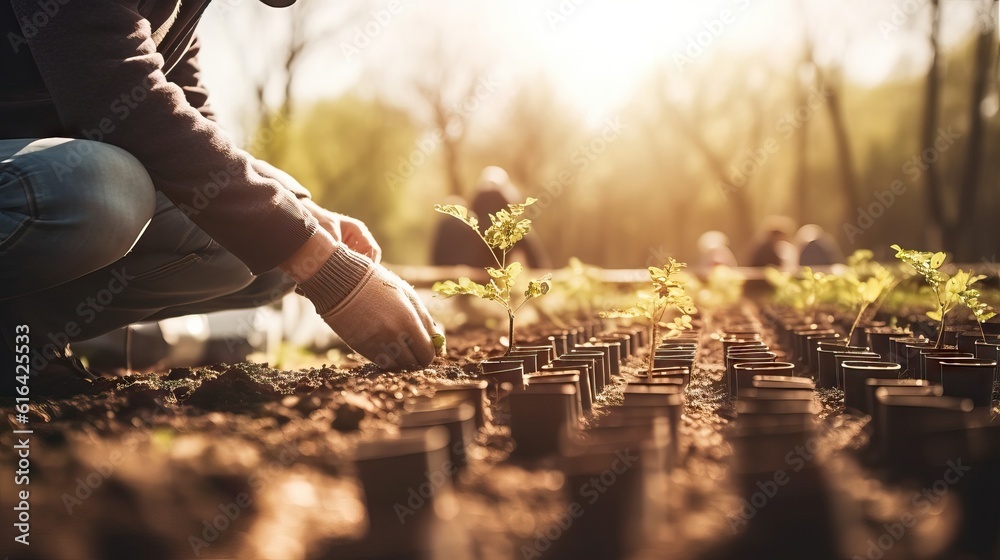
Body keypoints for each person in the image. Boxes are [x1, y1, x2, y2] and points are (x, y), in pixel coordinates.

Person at [0, 0, 441, 398]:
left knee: (258, 253)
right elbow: (119, 100)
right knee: (103, 188)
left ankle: (19, 339)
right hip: (48, 181)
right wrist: (326, 268)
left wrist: (305, 218)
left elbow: (190, 122)